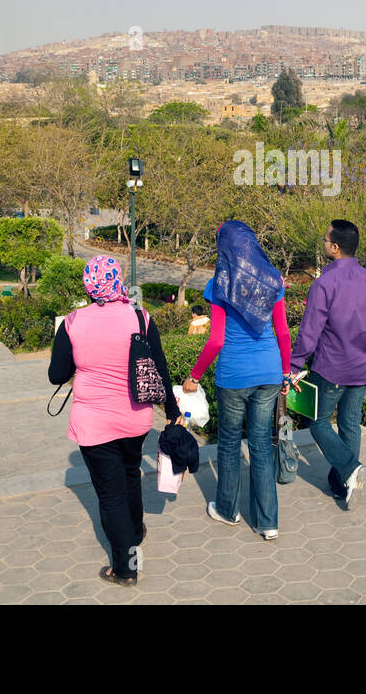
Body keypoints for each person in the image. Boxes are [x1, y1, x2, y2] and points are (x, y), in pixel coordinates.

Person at [48, 255, 183, 586]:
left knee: (110, 494)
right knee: (130, 475)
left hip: (94, 424)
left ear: (89, 285)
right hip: (135, 419)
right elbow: (160, 368)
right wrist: (173, 411)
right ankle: (136, 532)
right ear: (117, 279)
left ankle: (125, 568)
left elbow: (56, 375)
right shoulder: (139, 316)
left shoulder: (73, 321)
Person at [183, 221, 292, 540]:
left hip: (233, 376)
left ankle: (228, 510)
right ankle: (268, 522)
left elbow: (216, 340)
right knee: (260, 442)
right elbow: (283, 332)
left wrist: (194, 376)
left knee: (230, 443)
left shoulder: (220, 284)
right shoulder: (274, 279)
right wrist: (286, 372)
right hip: (270, 372)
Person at [289, 219, 366, 509]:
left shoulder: (324, 284)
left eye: (325, 240)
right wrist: (364, 331)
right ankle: (340, 485)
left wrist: (293, 366)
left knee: (318, 423)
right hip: (362, 367)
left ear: (335, 248)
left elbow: (309, 332)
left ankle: (350, 469)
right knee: (350, 424)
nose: (323, 243)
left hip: (332, 367)